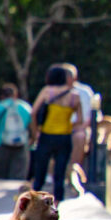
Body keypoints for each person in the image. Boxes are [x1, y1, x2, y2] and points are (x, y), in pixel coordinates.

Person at [31, 65, 82, 204]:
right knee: (59, 175)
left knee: (40, 172)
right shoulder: (74, 96)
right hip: (64, 138)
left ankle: (34, 203)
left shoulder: (47, 91)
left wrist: (36, 132)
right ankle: (56, 205)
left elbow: (33, 112)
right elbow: (80, 120)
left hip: (46, 136)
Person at [0, 83, 32, 179]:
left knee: (2, 175)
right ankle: (15, 193)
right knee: (18, 176)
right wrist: (33, 140)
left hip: (1, 144)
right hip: (22, 144)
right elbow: (32, 125)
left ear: (2, 96)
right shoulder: (25, 107)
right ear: (16, 95)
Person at [60, 63, 96, 177]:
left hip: (79, 128)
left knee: (79, 137)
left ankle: (73, 173)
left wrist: (82, 125)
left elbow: (92, 115)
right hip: (59, 128)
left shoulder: (84, 92)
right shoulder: (54, 91)